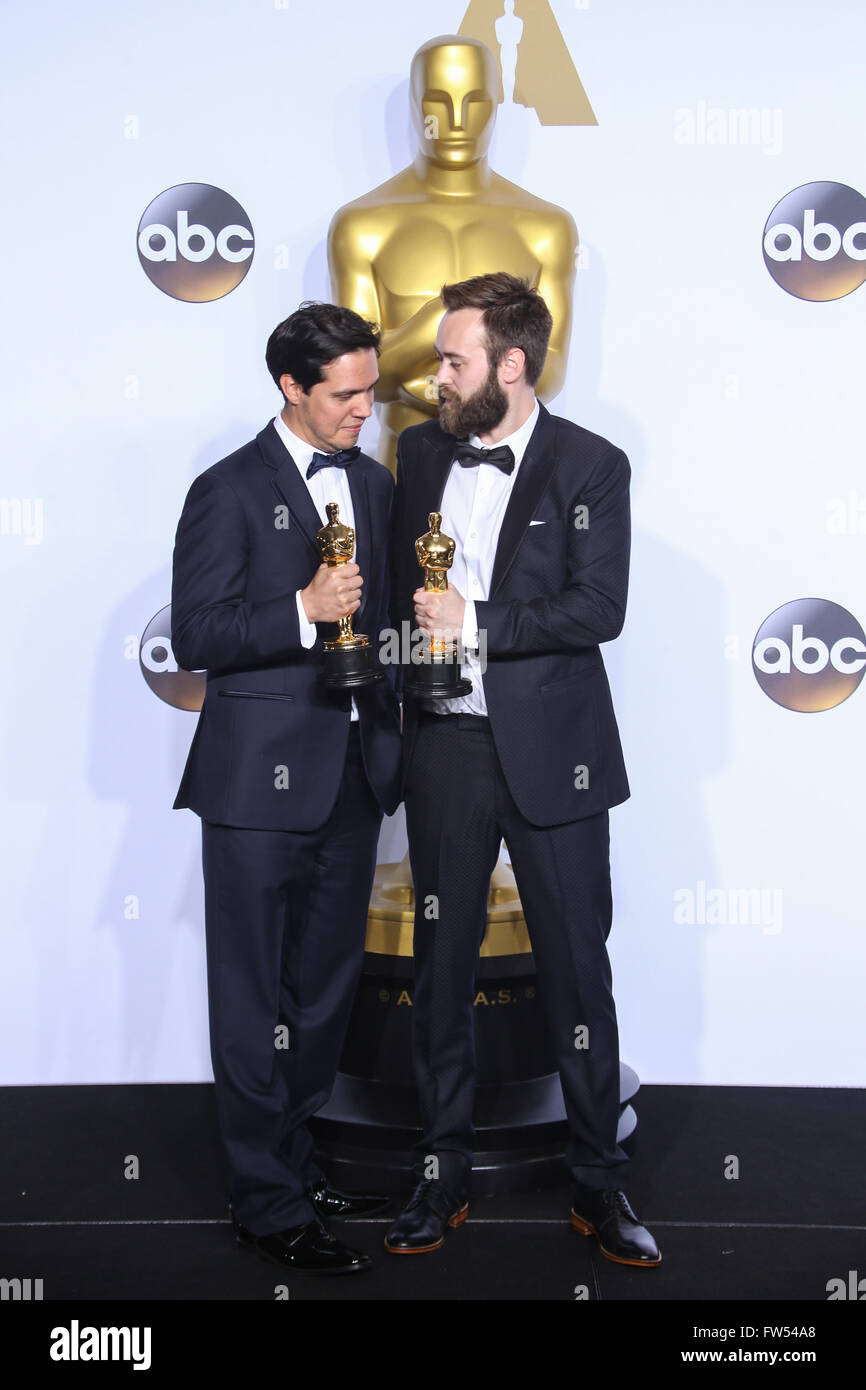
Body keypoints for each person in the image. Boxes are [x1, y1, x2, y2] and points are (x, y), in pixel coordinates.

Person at [386, 272, 660, 1267]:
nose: (435, 376)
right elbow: (394, 590)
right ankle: (438, 1175)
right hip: (445, 748)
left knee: (578, 975)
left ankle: (597, 1185)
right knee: (440, 966)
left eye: (453, 359)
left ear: (509, 364)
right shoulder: (418, 452)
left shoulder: (592, 465)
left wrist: (478, 622)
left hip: (558, 759)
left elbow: (598, 608)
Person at [170, 302, 401, 1275]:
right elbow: (199, 635)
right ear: (289, 389)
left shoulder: (377, 488)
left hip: (352, 778)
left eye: (370, 391)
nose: (362, 409)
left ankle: (297, 1164)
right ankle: (263, 1200)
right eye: (343, 395)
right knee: (248, 996)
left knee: (323, 997)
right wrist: (302, 611)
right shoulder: (225, 489)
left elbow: (387, 623)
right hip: (254, 791)